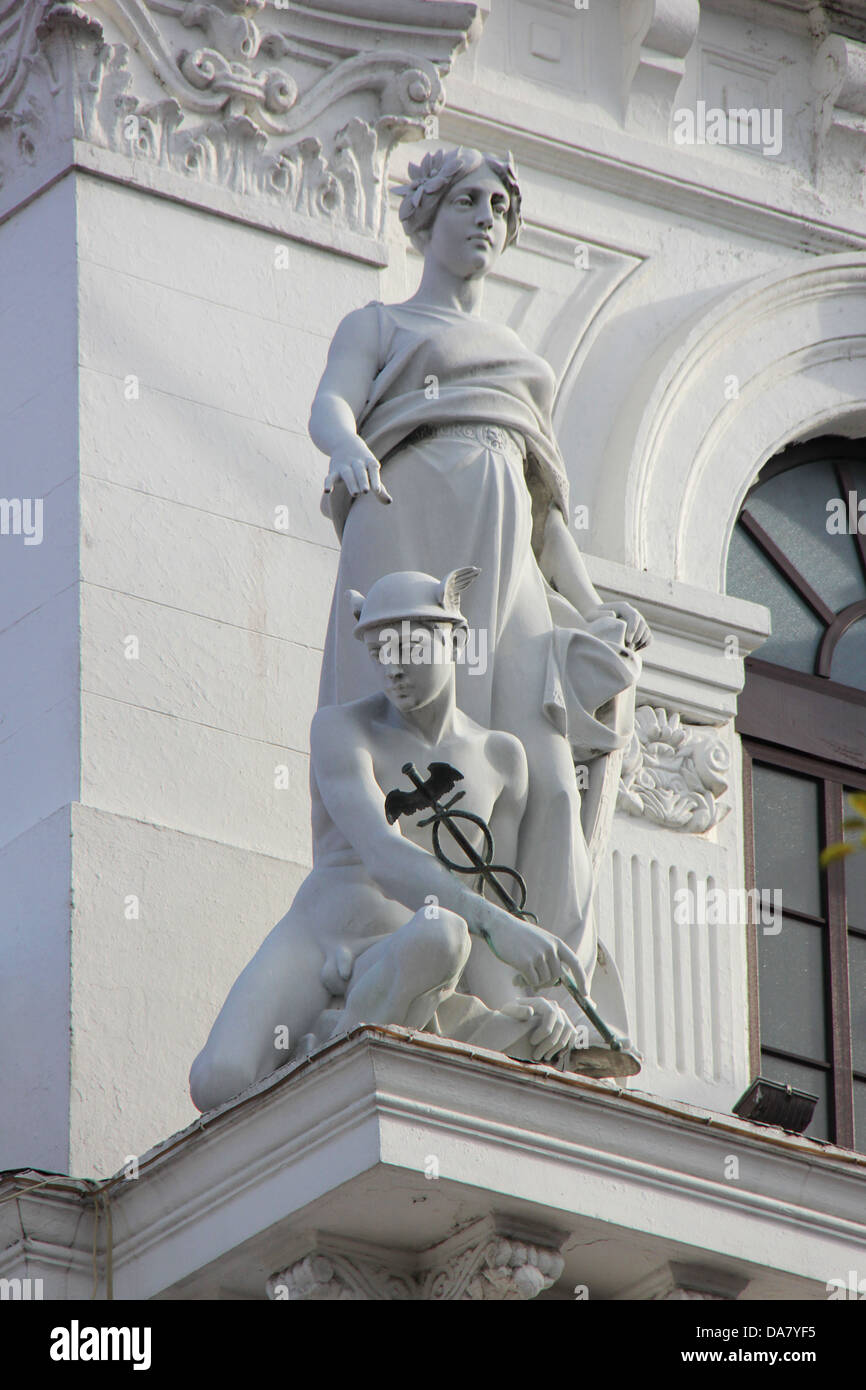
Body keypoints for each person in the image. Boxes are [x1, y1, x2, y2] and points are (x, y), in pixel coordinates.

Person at [308, 144, 650, 999]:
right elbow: (332, 402)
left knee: (539, 759)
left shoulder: (519, 362)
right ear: (426, 214)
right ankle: (418, 942)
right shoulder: (380, 324)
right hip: (402, 525)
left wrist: (598, 607)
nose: (485, 218)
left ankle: (541, 979)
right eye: (467, 200)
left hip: (506, 557)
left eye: (499, 206)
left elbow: (547, 518)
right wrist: (347, 447)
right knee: (403, 722)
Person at [189, 568, 589, 1114]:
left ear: (452, 638)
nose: (394, 668)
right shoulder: (339, 729)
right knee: (220, 1083)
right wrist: (499, 926)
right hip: (320, 932)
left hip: (409, 953)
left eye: (409, 648)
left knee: (446, 934)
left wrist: (525, 1007)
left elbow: (488, 908)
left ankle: (341, 1052)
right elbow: (380, 853)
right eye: (379, 651)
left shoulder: (501, 759)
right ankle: (339, 1037)